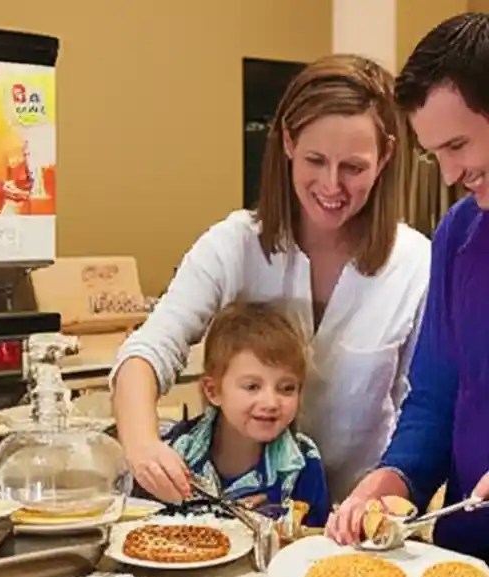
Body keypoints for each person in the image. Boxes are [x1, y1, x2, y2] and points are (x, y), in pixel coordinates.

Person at [110, 54, 431, 505]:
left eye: (353, 168)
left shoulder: (415, 263)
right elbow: (148, 351)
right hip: (240, 513)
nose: (332, 185)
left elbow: (428, 407)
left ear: (386, 157)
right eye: (315, 160)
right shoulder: (234, 245)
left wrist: (386, 492)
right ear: (288, 143)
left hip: (356, 513)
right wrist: (142, 444)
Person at [326, 13, 489, 557]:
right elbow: (436, 400)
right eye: (434, 152)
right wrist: (394, 478)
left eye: (458, 145)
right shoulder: (459, 235)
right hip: (467, 559)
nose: (449, 174)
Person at [159, 301, 330, 527]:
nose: (271, 403)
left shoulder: (304, 464)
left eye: (286, 388)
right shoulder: (175, 452)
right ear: (213, 391)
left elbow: (316, 542)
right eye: (252, 387)